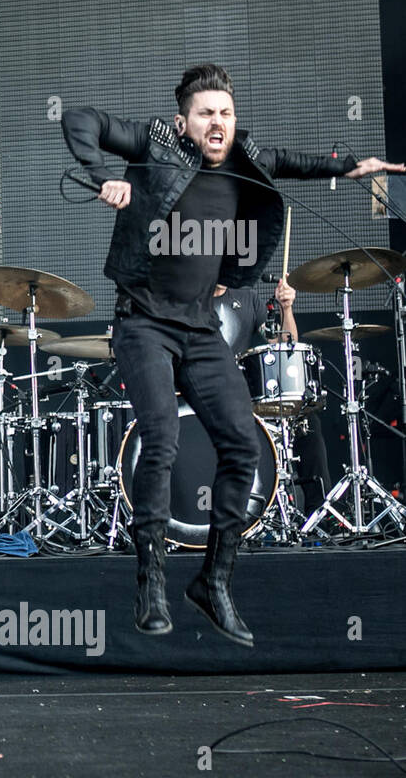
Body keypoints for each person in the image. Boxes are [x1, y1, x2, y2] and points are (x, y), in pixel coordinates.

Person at [61, 64, 403, 646]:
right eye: (205, 114)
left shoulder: (252, 160)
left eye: (225, 112)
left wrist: (353, 166)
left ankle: (213, 580)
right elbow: (80, 117)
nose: (216, 122)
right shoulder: (153, 142)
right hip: (144, 322)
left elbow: (302, 162)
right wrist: (101, 177)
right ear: (183, 121)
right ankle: (151, 580)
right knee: (162, 439)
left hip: (198, 330)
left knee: (244, 444)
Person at [213, 279, 331, 512]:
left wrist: (285, 308)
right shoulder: (189, 299)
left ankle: (319, 514)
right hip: (207, 398)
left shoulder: (247, 298)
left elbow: (285, 345)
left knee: (307, 424)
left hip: (248, 400)